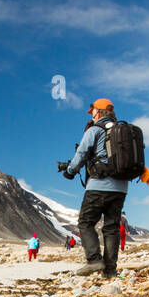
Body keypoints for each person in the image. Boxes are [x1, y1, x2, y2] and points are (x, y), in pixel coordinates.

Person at [62, 97, 129, 278]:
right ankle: (110, 271)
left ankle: (94, 260)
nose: (91, 114)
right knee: (112, 227)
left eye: (92, 111)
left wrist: (69, 171)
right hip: (121, 187)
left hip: (99, 184)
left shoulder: (95, 129)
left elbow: (82, 153)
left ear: (98, 112)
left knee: (86, 222)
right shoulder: (123, 131)